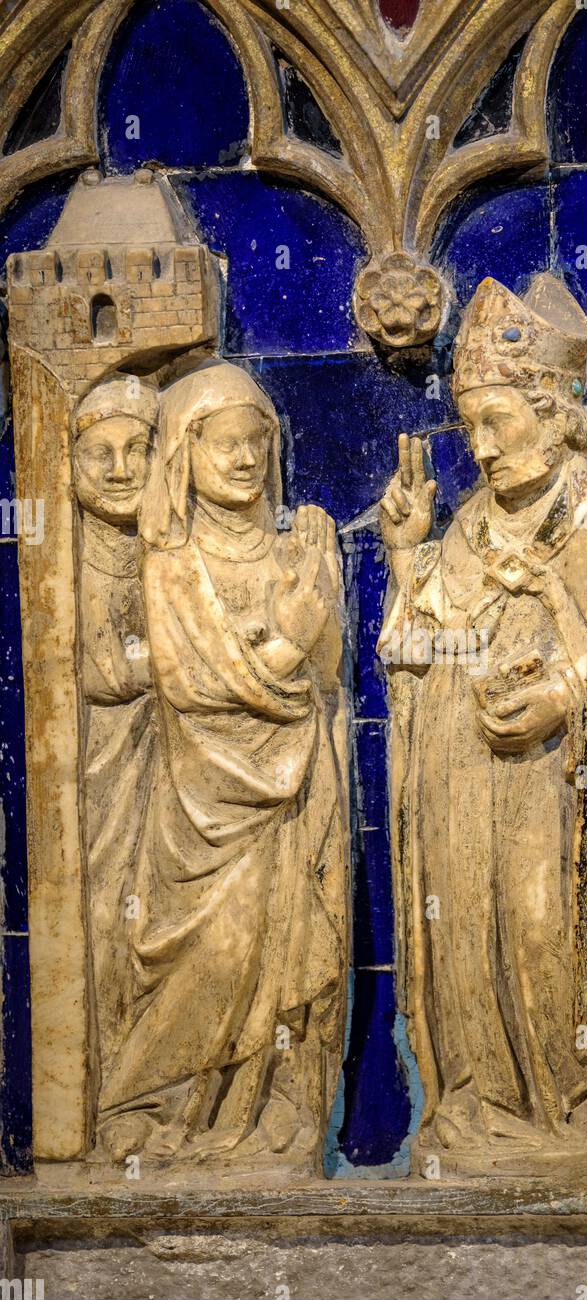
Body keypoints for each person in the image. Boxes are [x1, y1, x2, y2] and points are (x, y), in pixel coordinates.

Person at [378, 275, 587, 1174]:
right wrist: (407, 551)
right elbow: (417, 649)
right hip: (464, 774)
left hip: (551, 784)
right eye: (469, 429)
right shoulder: (462, 527)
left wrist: (557, 696)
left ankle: (578, 1101)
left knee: (540, 927)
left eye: (497, 423)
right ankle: (480, 1096)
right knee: (468, 929)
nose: (480, 448)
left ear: (553, 410)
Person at [98, 362, 349, 1167]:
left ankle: (269, 1117)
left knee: (283, 960)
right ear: (184, 457)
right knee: (210, 954)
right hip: (201, 811)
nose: (242, 460)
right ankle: (164, 1112)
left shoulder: (299, 550)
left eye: (255, 444)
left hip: (294, 801)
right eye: (223, 446)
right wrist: (287, 638)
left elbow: (330, 679)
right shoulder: (169, 564)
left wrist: (315, 611)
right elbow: (193, 688)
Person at [73, 376, 158, 1077]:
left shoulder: (176, 543)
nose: (122, 470)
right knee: (110, 914)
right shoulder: (67, 559)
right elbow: (108, 673)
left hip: (183, 768)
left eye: (138, 449)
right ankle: (114, 1064)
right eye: (99, 454)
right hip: (104, 767)